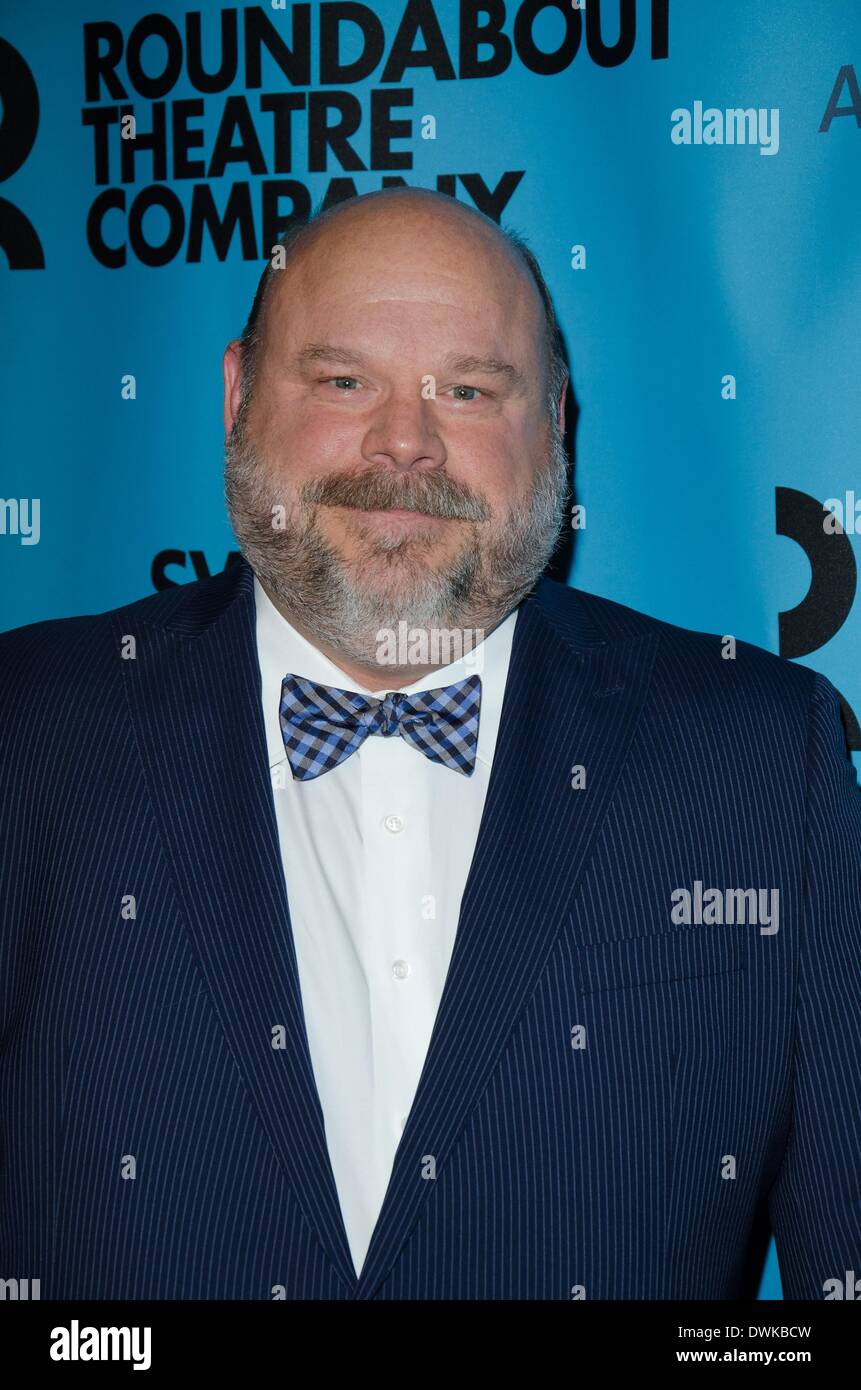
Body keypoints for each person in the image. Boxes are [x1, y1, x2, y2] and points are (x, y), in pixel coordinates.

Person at [1, 187, 859, 1301]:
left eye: (467, 388)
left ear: (554, 425)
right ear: (237, 394)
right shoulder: (28, 731)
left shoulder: (759, 757)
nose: (405, 442)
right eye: (343, 379)